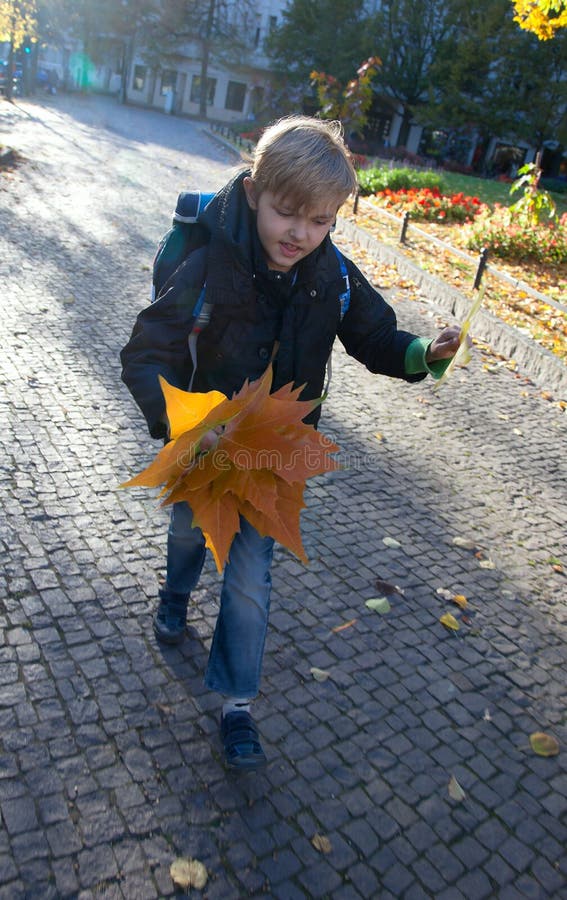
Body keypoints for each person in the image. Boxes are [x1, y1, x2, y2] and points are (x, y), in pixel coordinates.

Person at [120, 116, 463, 772]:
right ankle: (173, 593)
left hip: (275, 458)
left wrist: (425, 352)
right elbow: (143, 355)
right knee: (190, 534)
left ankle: (236, 703)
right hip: (205, 446)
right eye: (286, 214)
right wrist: (189, 424)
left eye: (321, 220)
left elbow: (375, 338)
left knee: (249, 577)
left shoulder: (328, 273)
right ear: (253, 193)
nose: (300, 234)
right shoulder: (204, 262)